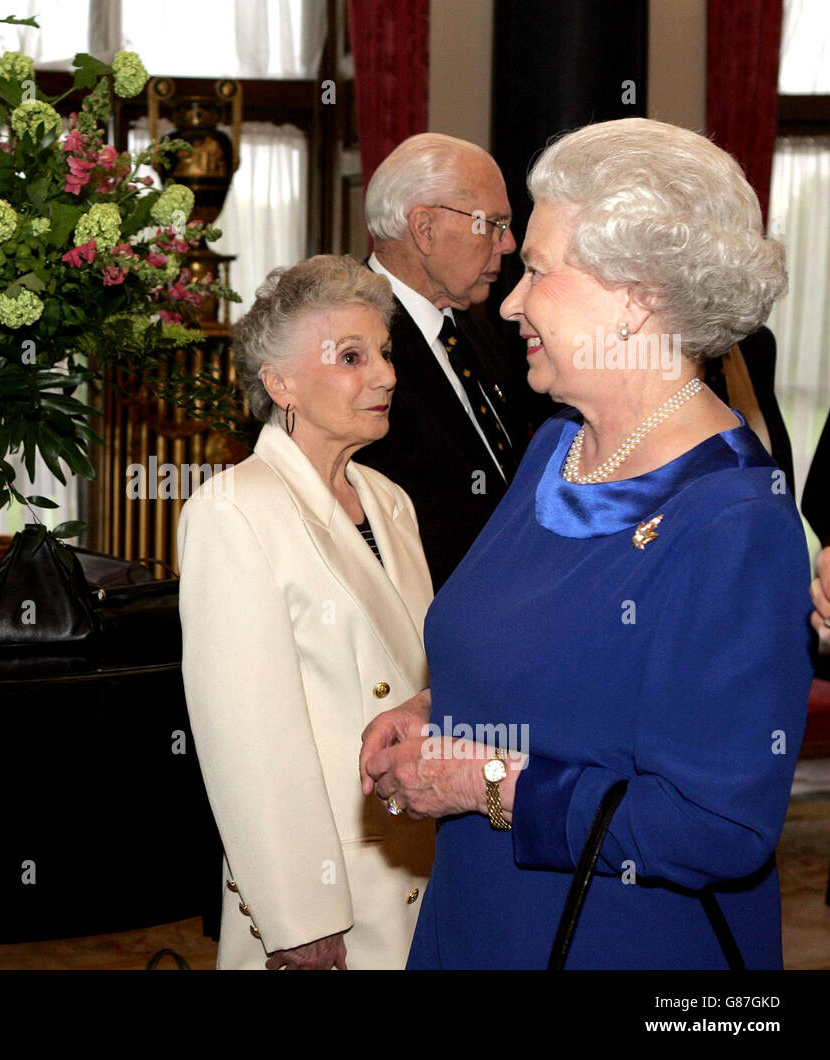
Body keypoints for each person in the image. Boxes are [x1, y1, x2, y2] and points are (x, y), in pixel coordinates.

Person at [360, 118, 813, 969]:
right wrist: (440, 709)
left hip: (619, 942)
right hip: (478, 919)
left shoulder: (735, 519)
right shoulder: (553, 450)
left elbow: (719, 828)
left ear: (634, 295)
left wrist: (478, 782)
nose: (512, 300)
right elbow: (557, 673)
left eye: (537, 269)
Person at [178, 255, 436, 970]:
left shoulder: (390, 501)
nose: (384, 374)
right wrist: (299, 917)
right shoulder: (233, 510)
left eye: (383, 353)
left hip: (424, 862)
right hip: (332, 893)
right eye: (351, 357)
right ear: (280, 382)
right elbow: (248, 741)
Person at [353, 133, 536, 590]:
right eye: (493, 223)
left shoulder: (475, 329)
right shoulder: (346, 339)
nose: (509, 243)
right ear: (425, 228)